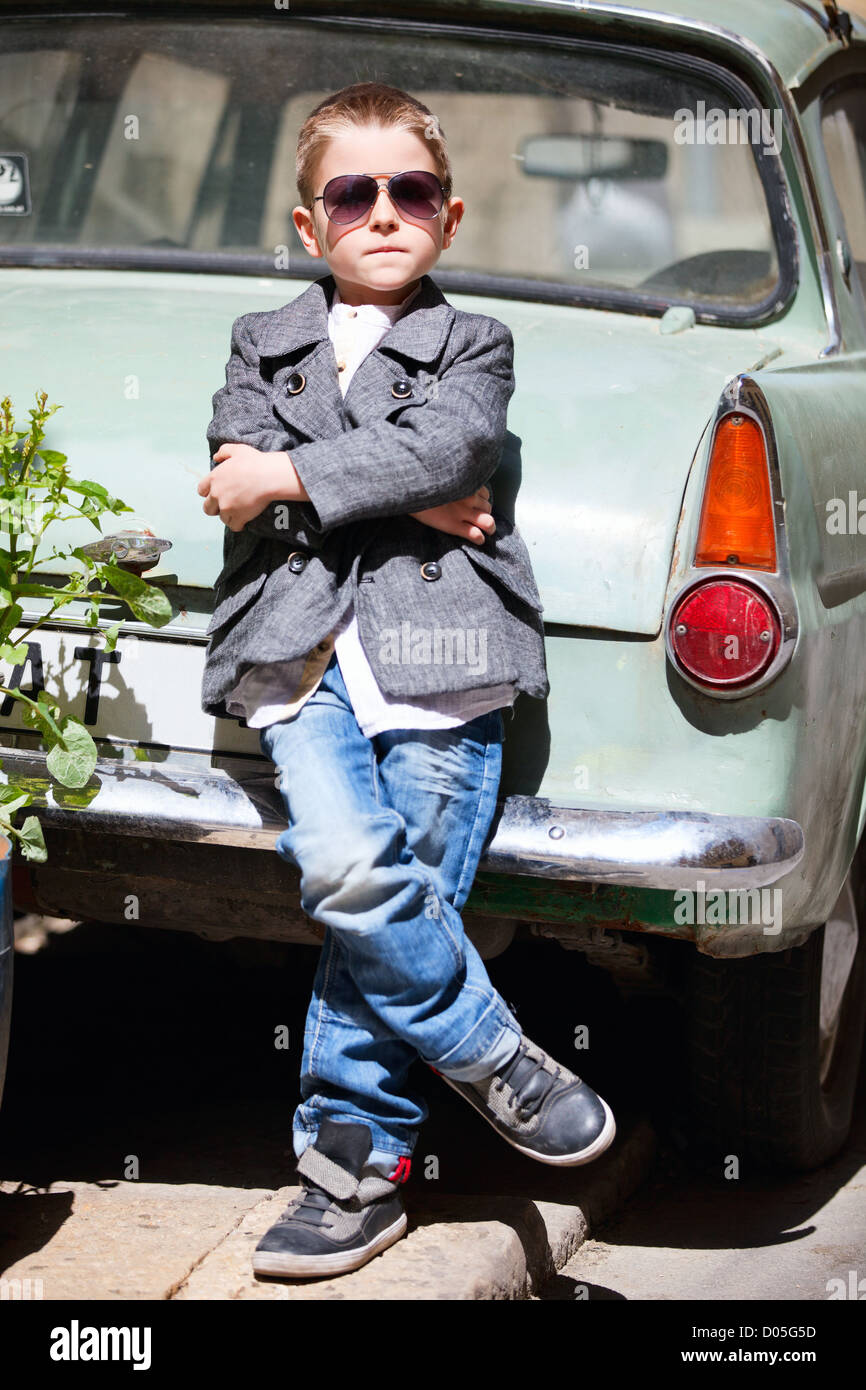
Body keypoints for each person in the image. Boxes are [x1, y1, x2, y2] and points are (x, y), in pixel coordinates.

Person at [197, 82, 616, 1282]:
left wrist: (297, 473)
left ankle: (349, 1172)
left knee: (410, 890)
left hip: (444, 661)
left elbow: (451, 445)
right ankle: (496, 1053)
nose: (384, 212)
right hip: (301, 656)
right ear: (308, 222)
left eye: (411, 191)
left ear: (451, 212)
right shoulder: (261, 341)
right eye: (353, 193)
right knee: (345, 869)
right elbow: (228, 473)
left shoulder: (471, 341)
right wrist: (395, 490)